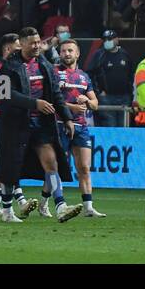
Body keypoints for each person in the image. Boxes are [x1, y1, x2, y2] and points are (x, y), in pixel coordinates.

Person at [0, 28, 79, 223]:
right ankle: (7, 211)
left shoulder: (45, 65)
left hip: (41, 123)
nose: (36, 46)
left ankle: (61, 206)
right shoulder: (8, 66)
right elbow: (6, 95)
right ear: (21, 44)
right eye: (32, 43)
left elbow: (56, 93)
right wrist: (35, 104)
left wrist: (67, 118)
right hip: (15, 125)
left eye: (38, 42)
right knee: (11, 167)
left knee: (52, 162)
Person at [54, 39, 103, 217]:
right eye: (64, 51)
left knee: (84, 167)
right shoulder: (54, 73)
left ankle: (89, 207)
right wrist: (71, 107)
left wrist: (88, 101)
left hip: (81, 127)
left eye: (70, 51)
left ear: (77, 54)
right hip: (60, 124)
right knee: (58, 167)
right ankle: (53, 203)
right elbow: (53, 101)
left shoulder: (84, 76)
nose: (67, 54)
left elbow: (96, 104)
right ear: (60, 54)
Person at [88, 31, 133, 127]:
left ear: (117, 39)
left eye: (109, 39)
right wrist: (98, 91)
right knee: (110, 126)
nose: (107, 42)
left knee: (124, 126)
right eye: (105, 40)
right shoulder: (99, 55)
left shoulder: (125, 54)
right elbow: (89, 74)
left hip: (124, 97)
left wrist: (130, 92)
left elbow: (131, 74)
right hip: (107, 97)